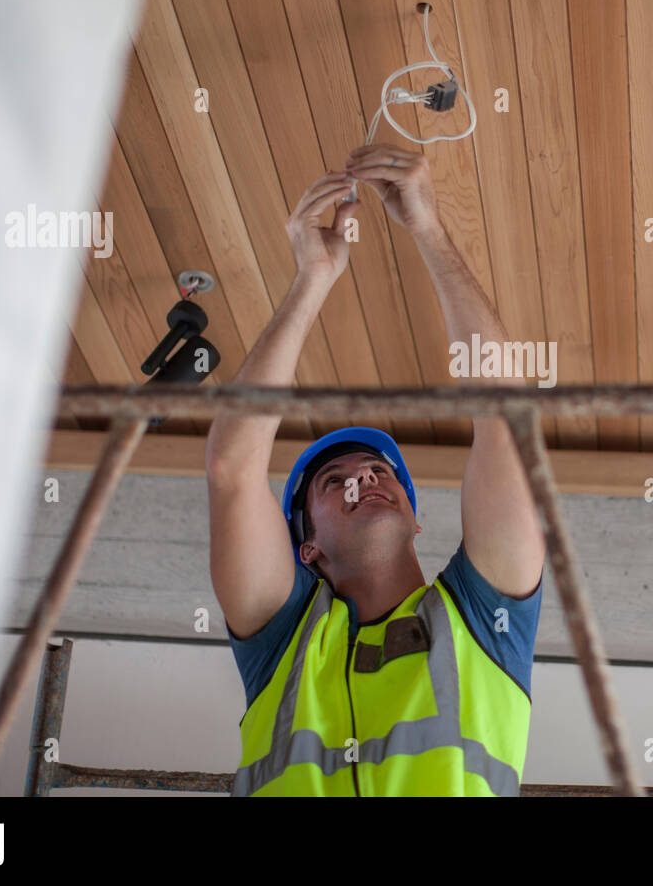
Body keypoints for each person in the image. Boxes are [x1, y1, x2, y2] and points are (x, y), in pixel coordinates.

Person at [204, 144, 546, 796]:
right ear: (303, 548)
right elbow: (231, 466)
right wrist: (312, 278)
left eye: (379, 472)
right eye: (335, 484)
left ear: (417, 520)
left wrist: (430, 230)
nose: (364, 477)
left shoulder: (483, 624)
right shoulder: (284, 644)